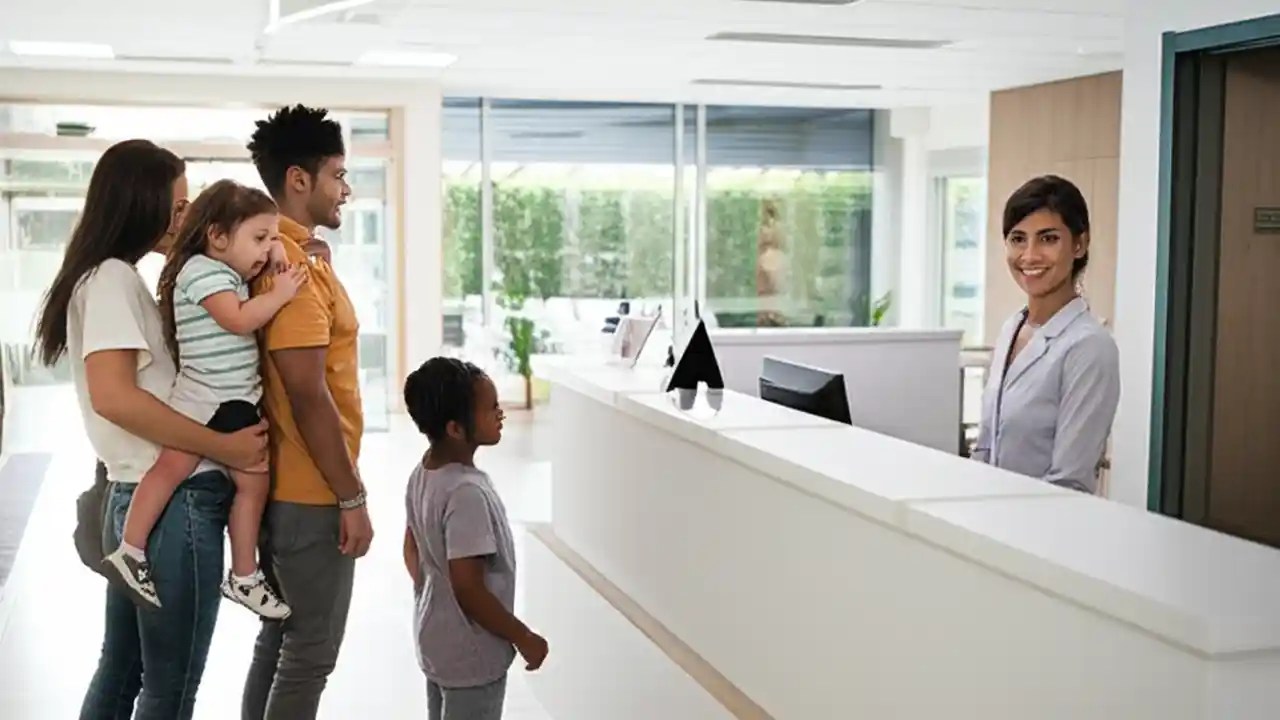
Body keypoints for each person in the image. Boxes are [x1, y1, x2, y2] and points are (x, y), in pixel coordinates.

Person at [33, 139, 269, 719]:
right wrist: (221, 445)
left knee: (123, 671)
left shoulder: (113, 277)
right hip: (174, 503)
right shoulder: (111, 278)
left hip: (143, 497)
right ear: (141, 203)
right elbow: (115, 397)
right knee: (170, 687)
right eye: (179, 204)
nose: (186, 218)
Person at [98, 179, 307, 619]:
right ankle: (234, 572)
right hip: (212, 398)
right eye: (259, 238)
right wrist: (281, 293)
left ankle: (143, 552)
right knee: (225, 479)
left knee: (203, 475)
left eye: (270, 238)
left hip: (216, 397)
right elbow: (237, 319)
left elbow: (262, 251)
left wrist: (276, 247)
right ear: (217, 236)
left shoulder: (220, 269)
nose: (267, 249)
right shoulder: (203, 273)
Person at [241, 104, 373, 720]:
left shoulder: (295, 256)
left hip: (293, 488)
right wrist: (351, 496)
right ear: (299, 180)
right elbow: (307, 393)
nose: (345, 189)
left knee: (283, 639)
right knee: (310, 652)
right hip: (310, 494)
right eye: (337, 175)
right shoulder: (289, 265)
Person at [402, 358, 549, 720]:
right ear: (455, 428)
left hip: (437, 638)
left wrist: (432, 594)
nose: (501, 413)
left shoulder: (424, 472)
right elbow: (469, 588)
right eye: (491, 408)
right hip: (473, 652)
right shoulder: (466, 493)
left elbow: (412, 546)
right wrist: (523, 636)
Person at [973, 175, 1120, 494]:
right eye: (1017, 239)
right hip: (988, 519)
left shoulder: (1090, 347)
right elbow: (986, 447)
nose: (1029, 256)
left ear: (1079, 245)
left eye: (1048, 239)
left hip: (1043, 528)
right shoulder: (1012, 328)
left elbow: (1070, 480)